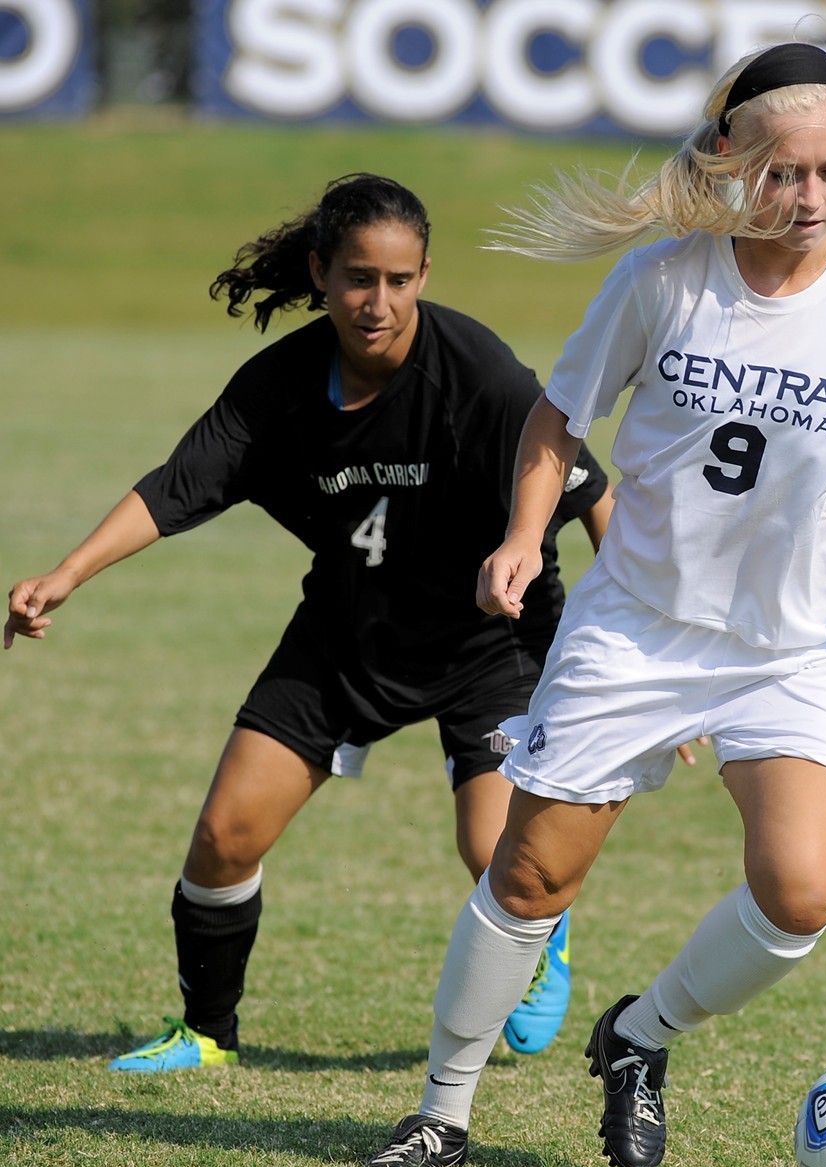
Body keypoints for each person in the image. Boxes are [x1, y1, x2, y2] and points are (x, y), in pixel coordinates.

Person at [366, 43, 826, 1167]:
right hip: (638, 623)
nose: (811, 198)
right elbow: (560, 416)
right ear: (731, 158)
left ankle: (641, 1036)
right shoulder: (663, 281)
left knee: (801, 893)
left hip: (796, 646)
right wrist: (524, 534)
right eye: (785, 173)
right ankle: (443, 1111)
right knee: (532, 875)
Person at [4, 173, 615, 1069]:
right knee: (223, 838)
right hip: (349, 633)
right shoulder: (281, 386)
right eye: (359, 278)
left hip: (490, 641)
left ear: (424, 276)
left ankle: (543, 935)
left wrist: (640, 640)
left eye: (399, 281)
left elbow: (591, 491)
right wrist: (67, 572)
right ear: (321, 272)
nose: (379, 302)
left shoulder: (477, 373)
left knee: (498, 854)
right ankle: (207, 1034)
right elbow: (177, 486)